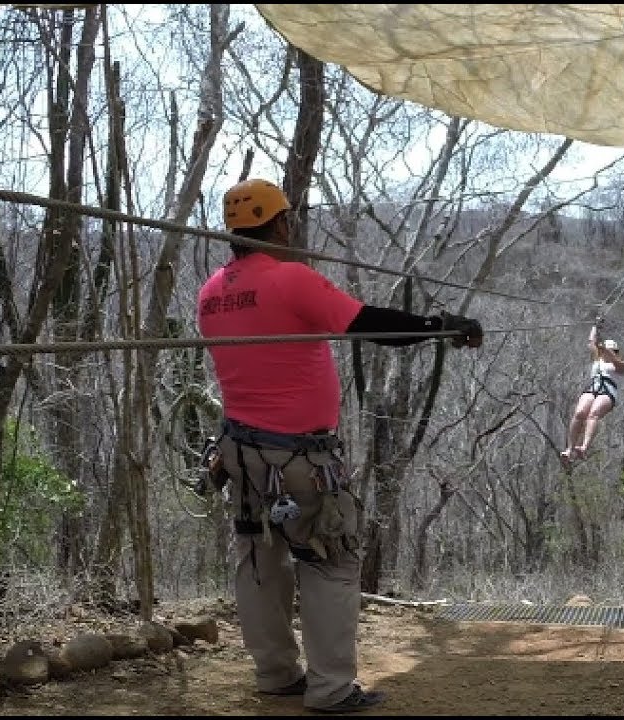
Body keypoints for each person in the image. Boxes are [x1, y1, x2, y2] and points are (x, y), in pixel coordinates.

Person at [196, 177, 483, 714]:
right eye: (290, 220)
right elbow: (367, 323)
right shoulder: (290, 279)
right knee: (329, 561)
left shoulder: (213, 291)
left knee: (260, 560)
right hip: (300, 457)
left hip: (241, 453)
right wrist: (439, 327)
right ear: (281, 223)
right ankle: (330, 689)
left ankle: (277, 674)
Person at [559, 316, 624, 468]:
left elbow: (612, 357)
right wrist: (596, 325)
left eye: (612, 351)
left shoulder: (619, 364)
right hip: (593, 387)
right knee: (580, 413)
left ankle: (584, 447)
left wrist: (604, 348)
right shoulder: (598, 359)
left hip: (608, 391)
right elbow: (591, 342)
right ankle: (569, 449)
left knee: (593, 414)